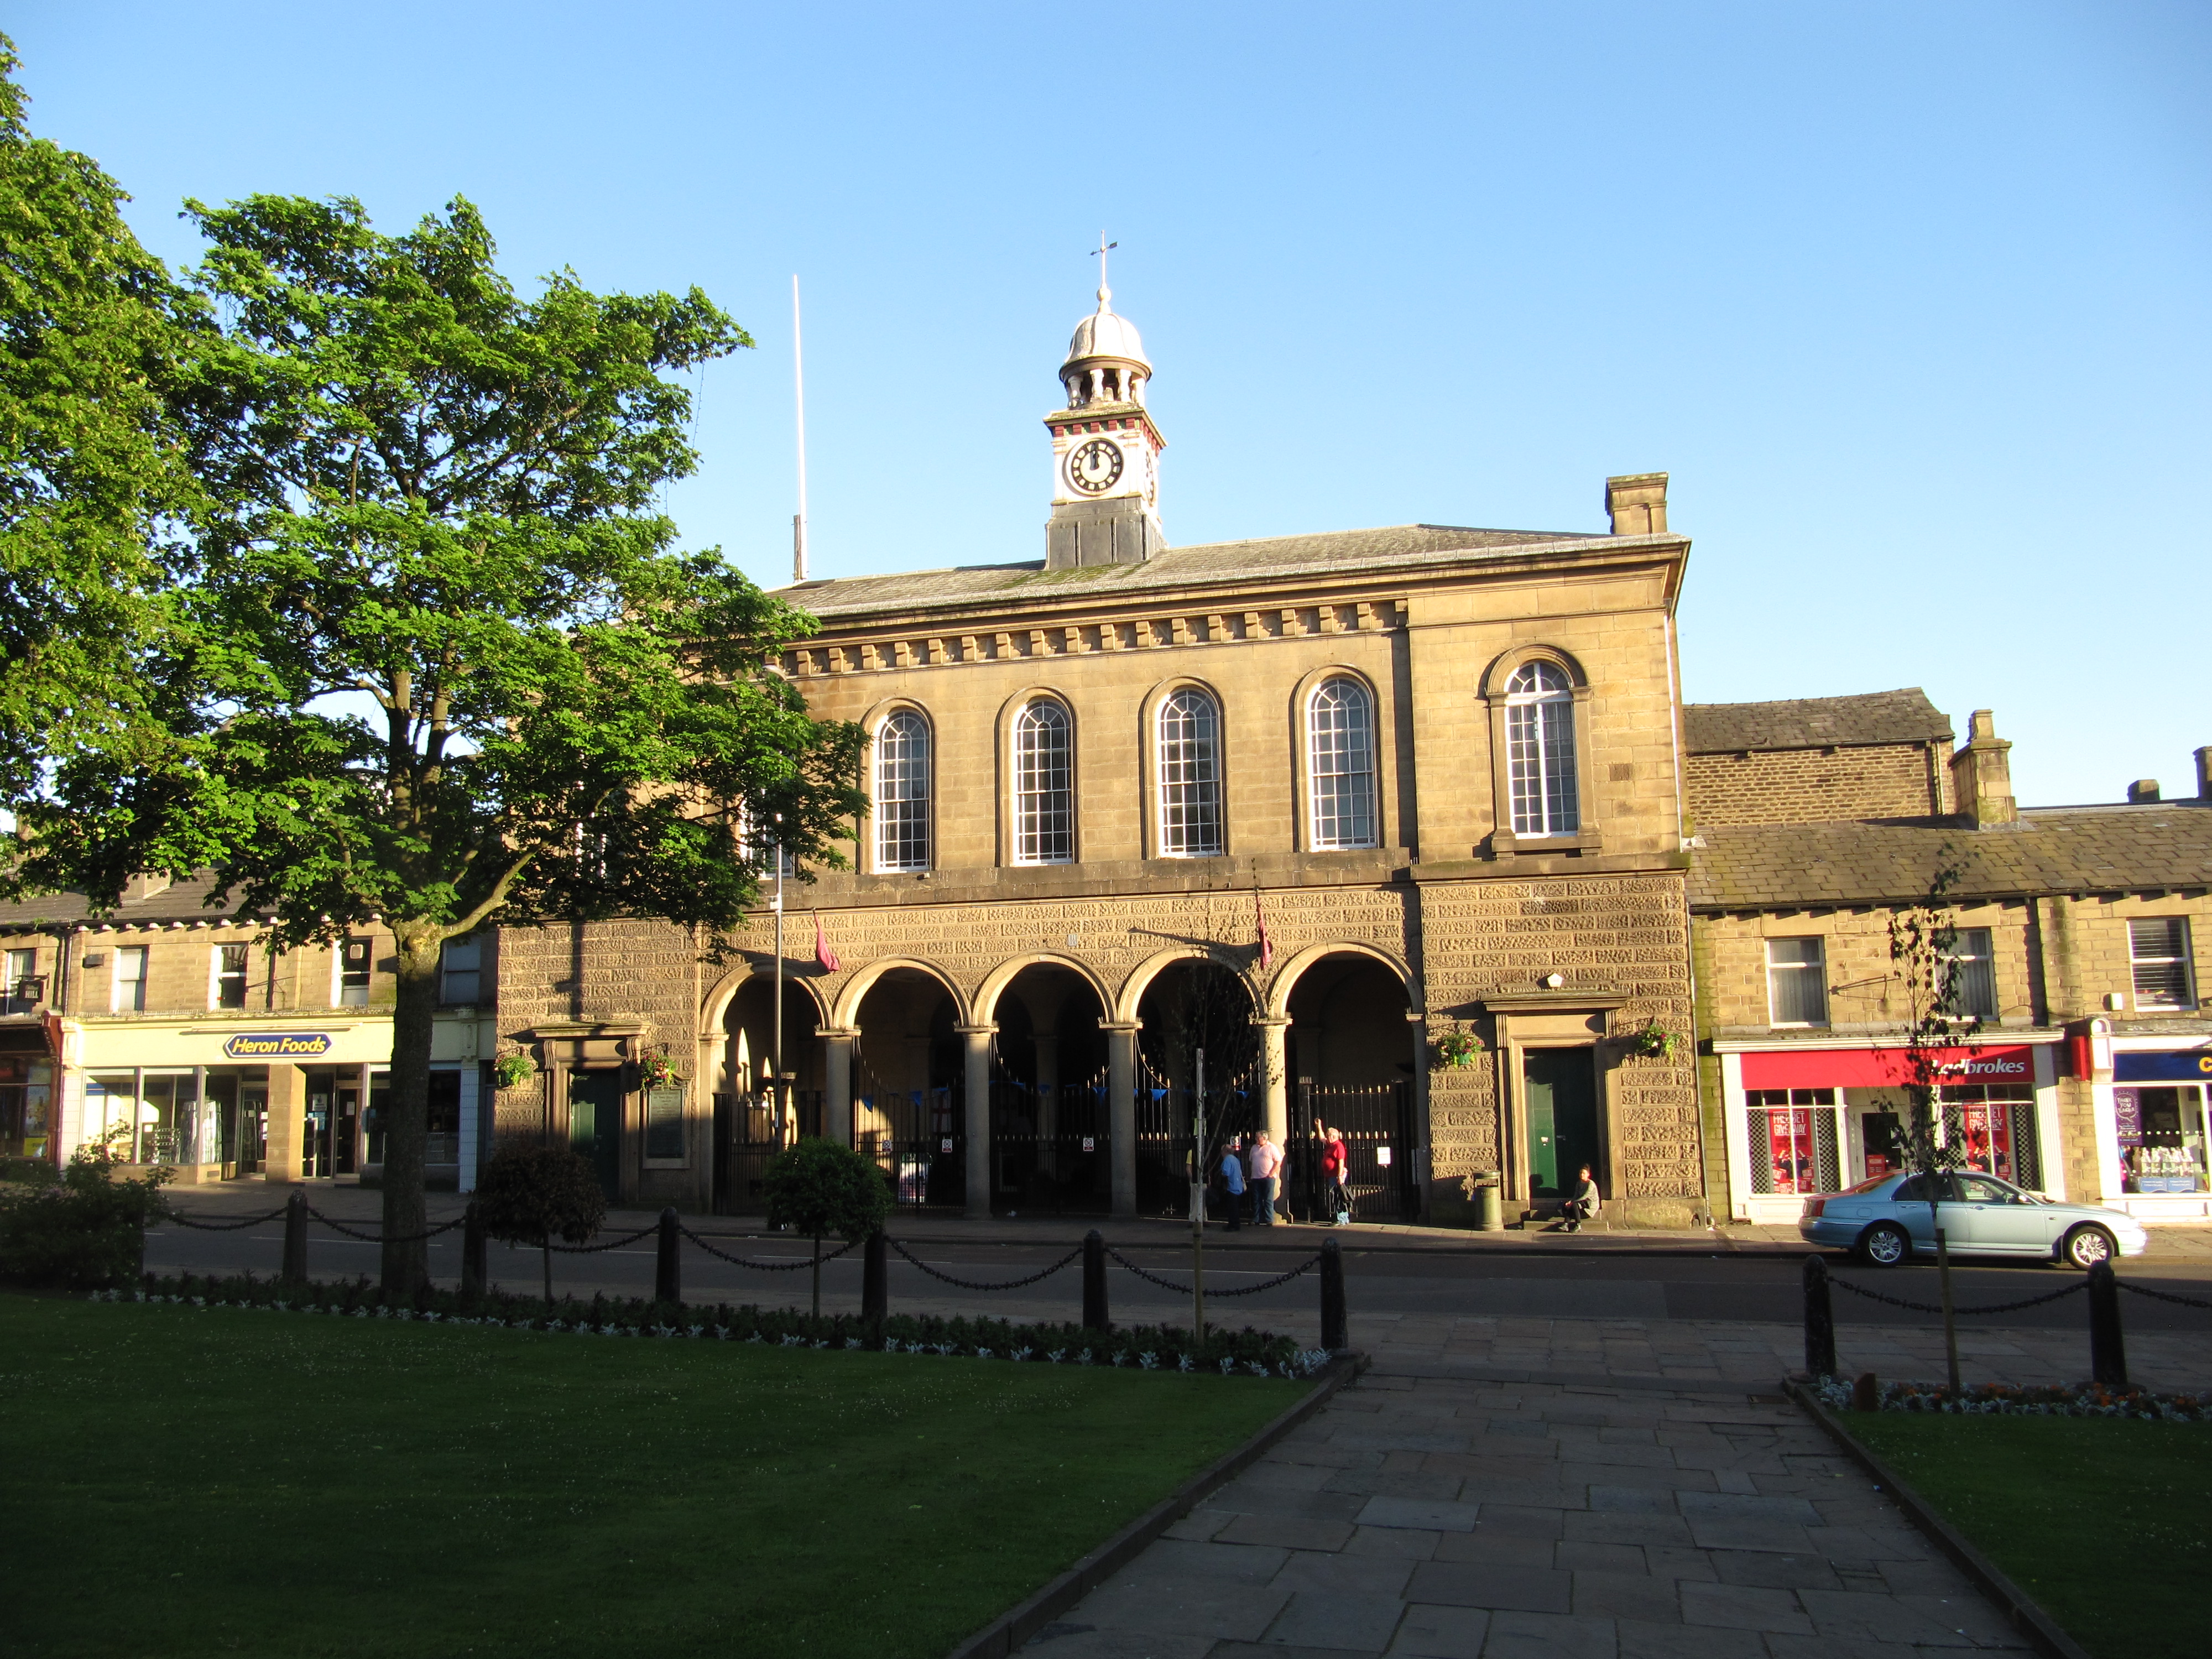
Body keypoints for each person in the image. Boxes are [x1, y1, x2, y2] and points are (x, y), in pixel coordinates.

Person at [1316, 1118, 1352, 1225]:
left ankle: (1341, 1219)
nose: (1328, 1137)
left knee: (1338, 1197)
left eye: (1330, 1136)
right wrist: (1319, 1126)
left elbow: (1341, 1162)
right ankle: (1342, 1218)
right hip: (1331, 1175)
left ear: (1335, 1136)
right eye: (1328, 1135)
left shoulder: (1338, 1146)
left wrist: (1339, 1176)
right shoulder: (1331, 1145)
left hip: (1336, 1175)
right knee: (1337, 1196)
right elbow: (1321, 1138)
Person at [1246, 1130, 1282, 1225]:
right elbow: (1251, 1161)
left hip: (1268, 1177)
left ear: (1263, 1138)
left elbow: (1279, 1161)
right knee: (1256, 1199)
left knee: (1268, 1199)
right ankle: (1256, 1219)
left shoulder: (1271, 1148)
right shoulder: (1254, 1148)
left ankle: (1269, 1219)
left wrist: (1272, 1173)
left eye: (1258, 1137)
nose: (1256, 1139)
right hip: (1256, 1177)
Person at [1560, 1164, 1601, 1233]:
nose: (1582, 1175)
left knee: (1574, 1205)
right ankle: (1566, 1224)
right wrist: (1570, 1201)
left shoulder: (1591, 1184)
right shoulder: (1579, 1183)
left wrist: (1573, 1203)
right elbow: (1576, 1196)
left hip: (1590, 1207)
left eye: (1584, 1173)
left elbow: (1585, 1196)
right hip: (1582, 1205)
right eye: (1581, 1173)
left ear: (1588, 1175)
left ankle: (1578, 1225)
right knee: (1570, 1206)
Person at [1220, 1134, 1246, 1231]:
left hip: (1231, 1187)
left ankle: (1233, 1225)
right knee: (1236, 1208)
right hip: (1238, 1186)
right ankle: (1236, 1224)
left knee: (1232, 1208)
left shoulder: (1227, 1159)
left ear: (1225, 1151)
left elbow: (1225, 1173)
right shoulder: (1235, 1159)